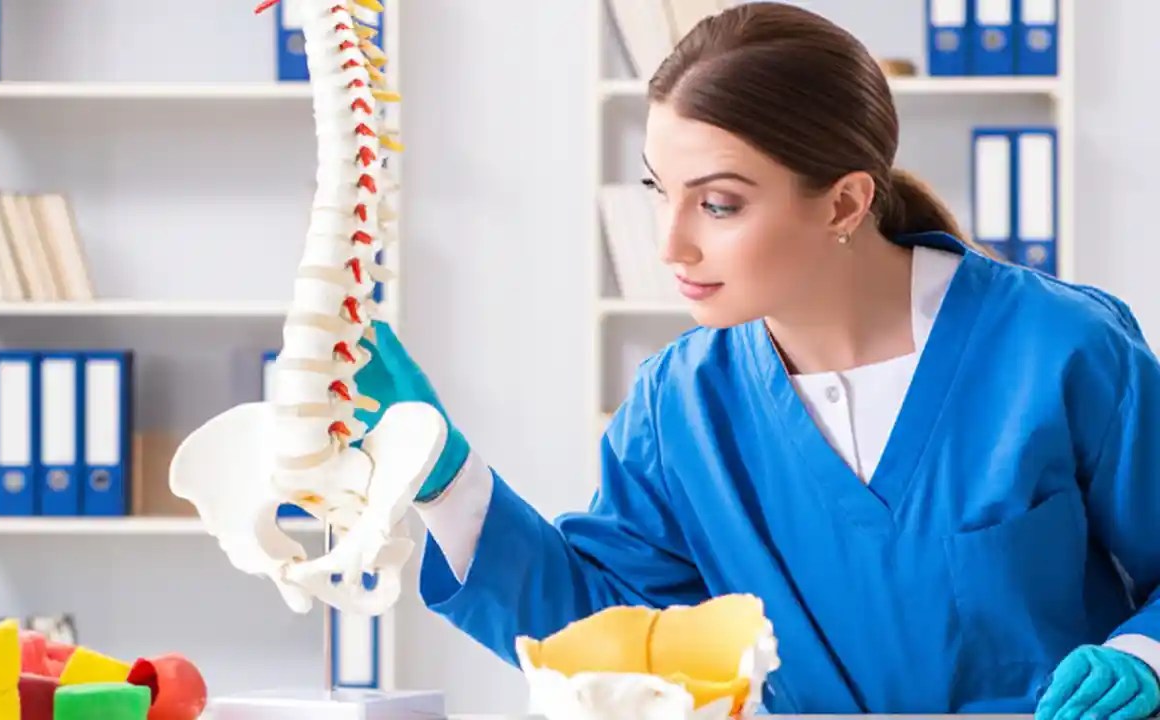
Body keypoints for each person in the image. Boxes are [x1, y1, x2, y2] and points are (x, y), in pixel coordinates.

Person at [353, 3, 1160, 717]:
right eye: (656, 190)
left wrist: (1142, 656)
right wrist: (441, 476)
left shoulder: (1060, 349)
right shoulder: (680, 404)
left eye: (718, 203)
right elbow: (609, 640)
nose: (670, 243)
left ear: (844, 202)